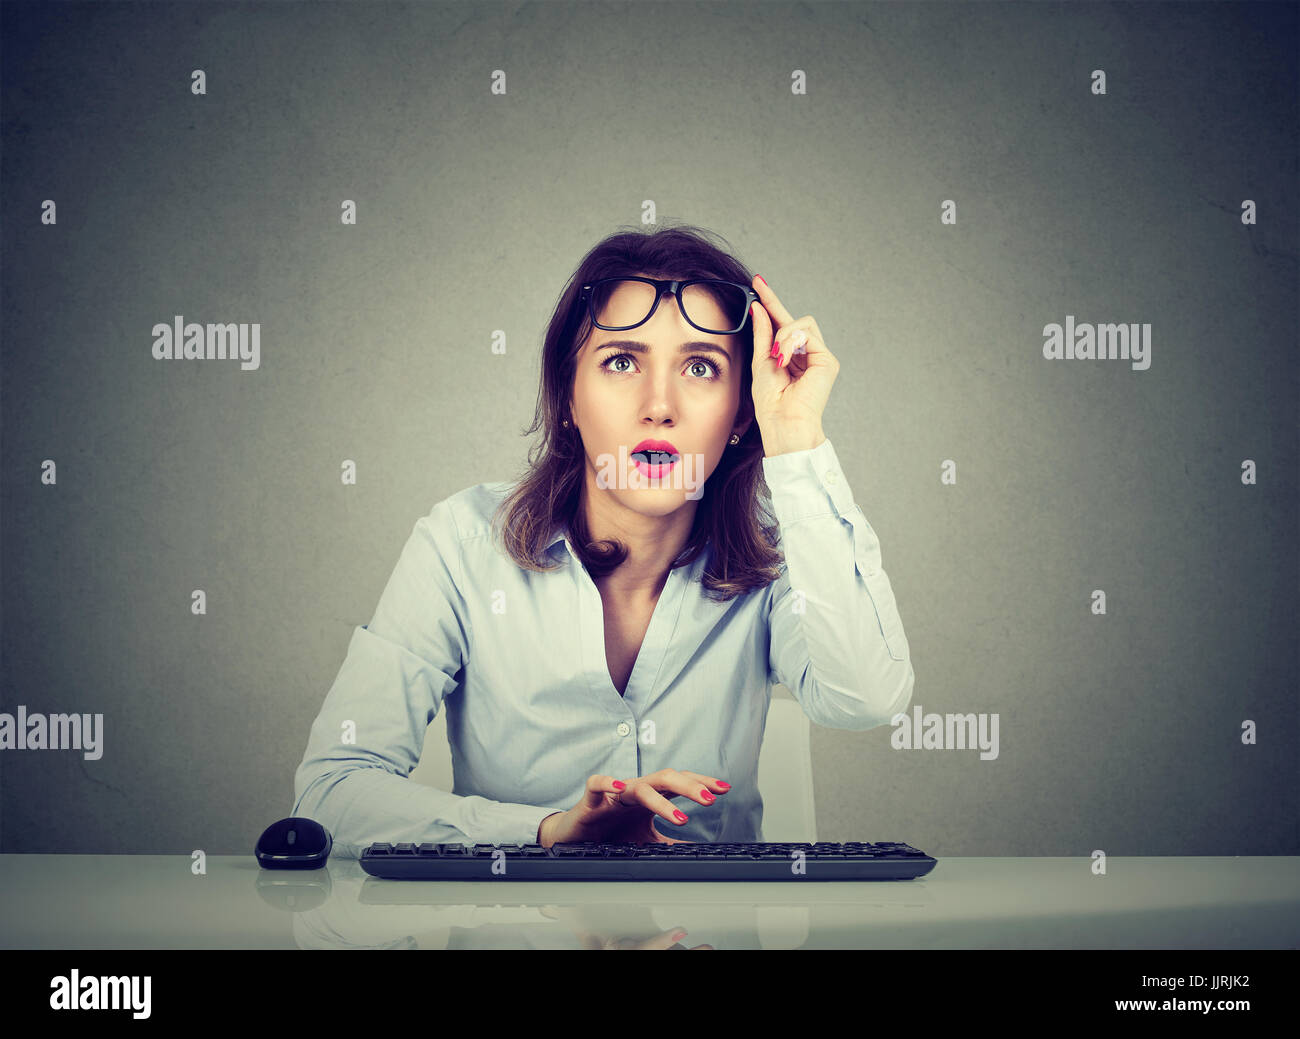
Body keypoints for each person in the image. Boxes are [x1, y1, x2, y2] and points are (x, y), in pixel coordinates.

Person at [292, 224, 913, 857]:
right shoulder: (461, 544)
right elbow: (331, 796)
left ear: (740, 411)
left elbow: (863, 698)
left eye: (701, 367)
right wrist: (544, 832)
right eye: (621, 361)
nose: (659, 405)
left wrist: (794, 436)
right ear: (567, 395)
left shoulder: (783, 555)